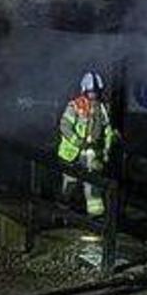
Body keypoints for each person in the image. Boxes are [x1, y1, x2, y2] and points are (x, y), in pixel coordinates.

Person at [57, 71, 117, 216]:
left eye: (96, 92)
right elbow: (65, 126)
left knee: (93, 186)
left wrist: (106, 152)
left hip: (92, 153)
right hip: (73, 154)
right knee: (69, 184)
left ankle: (95, 218)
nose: (93, 95)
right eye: (91, 92)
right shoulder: (75, 106)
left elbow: (107, 131)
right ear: (84, 90)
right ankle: (61, 213)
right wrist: (78, 142)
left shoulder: (102, 108)